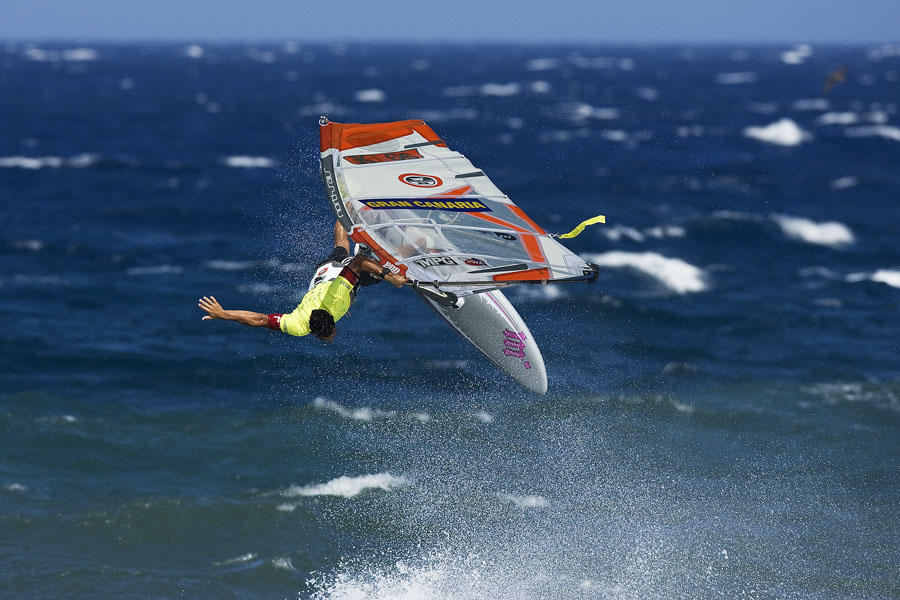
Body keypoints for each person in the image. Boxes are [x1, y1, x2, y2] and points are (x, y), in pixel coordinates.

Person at [198, 220, 408, 342]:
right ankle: (345, 216)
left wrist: (390, 278)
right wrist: (223, 314)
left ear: (331, 325)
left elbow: (359, 262)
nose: (331, 338)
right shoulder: (298, 325)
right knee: (341, 243)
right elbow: (260, 320)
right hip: (323, 270)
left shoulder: (336, 297)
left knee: (386, 266)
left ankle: (413, 247)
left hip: (339, 273)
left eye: (329, 335)